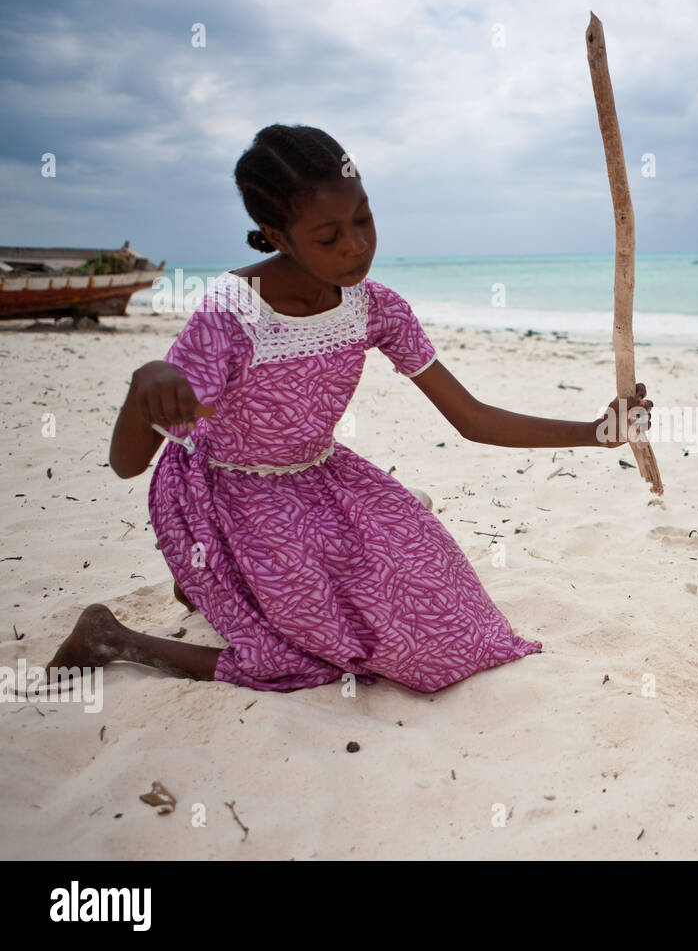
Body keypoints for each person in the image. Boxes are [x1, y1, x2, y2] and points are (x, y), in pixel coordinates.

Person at [47, 124, 653, 692]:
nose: (356, 245)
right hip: (224, 496)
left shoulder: (376, 308)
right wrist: (144, 383)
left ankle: (213, 587)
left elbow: (471, 419)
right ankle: (109, 638)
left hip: (320, 480)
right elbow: (129, 463)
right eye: (329, 235)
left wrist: (598, 432)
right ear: (278, 237)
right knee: (310, 661)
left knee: (458, 635)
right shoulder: (232, 316)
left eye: (363, 219)